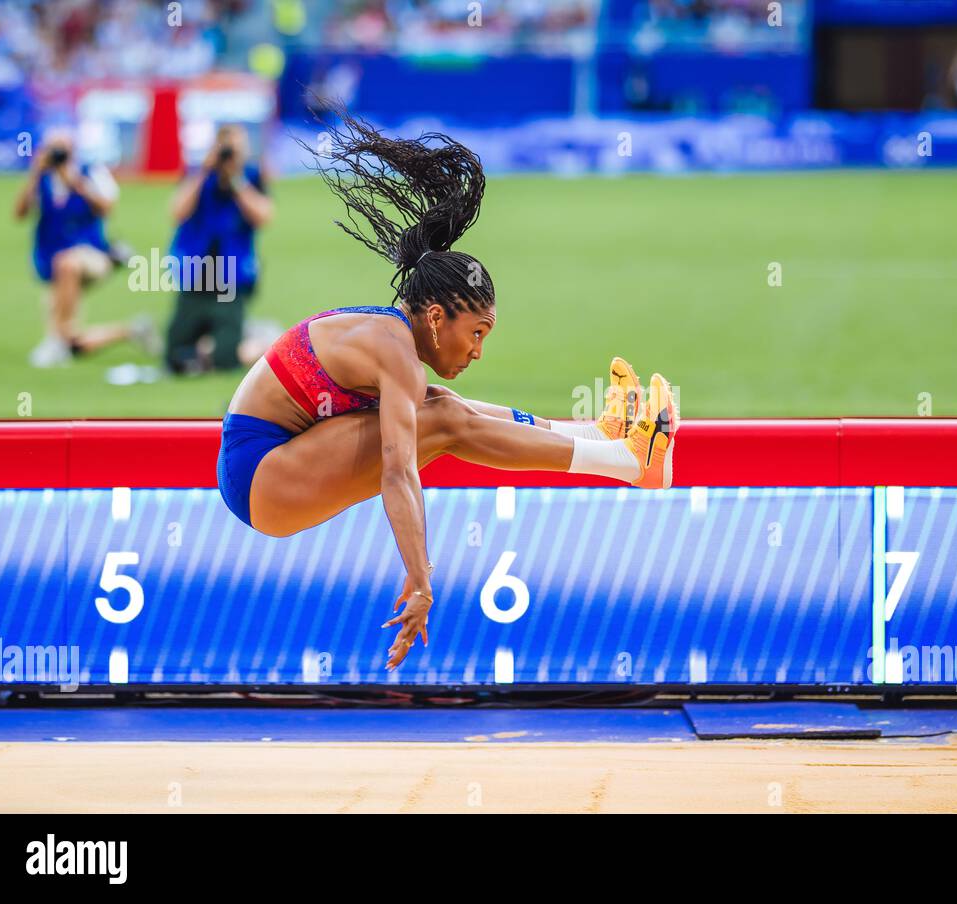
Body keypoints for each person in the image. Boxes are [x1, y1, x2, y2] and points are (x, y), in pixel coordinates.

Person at [216, 113, 678, 671]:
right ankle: (626, 463)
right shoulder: (394, 352)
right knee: (443, 421)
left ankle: (598, 438)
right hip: (260, 475)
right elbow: (397, 469)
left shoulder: (394, 343)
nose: (478, 351)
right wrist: (419, 575)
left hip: (272, 459)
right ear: (436, 318)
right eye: (476, 333)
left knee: (445, 408)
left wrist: (572, 430)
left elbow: (450, 415)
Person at [13, 128, 149, 367]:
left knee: (67, 263)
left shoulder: (90, 173)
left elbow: (107, 206)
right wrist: (35, 173)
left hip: (93, 255)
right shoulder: (43, 179)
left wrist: (76, 183)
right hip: (52, 262)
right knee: (71, 340)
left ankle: (56, 342)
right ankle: (132, 330)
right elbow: (20, 213)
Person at [165, 123, 275, 374]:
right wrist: (204, 172)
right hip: (196, 275)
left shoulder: (250, 177)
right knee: (173, 356)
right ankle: (219, 338)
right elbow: (177, 211)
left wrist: (235, 179)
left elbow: (263, 216)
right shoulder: (199, 177)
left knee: (226, 359)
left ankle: (249, 335)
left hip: (231, 279)